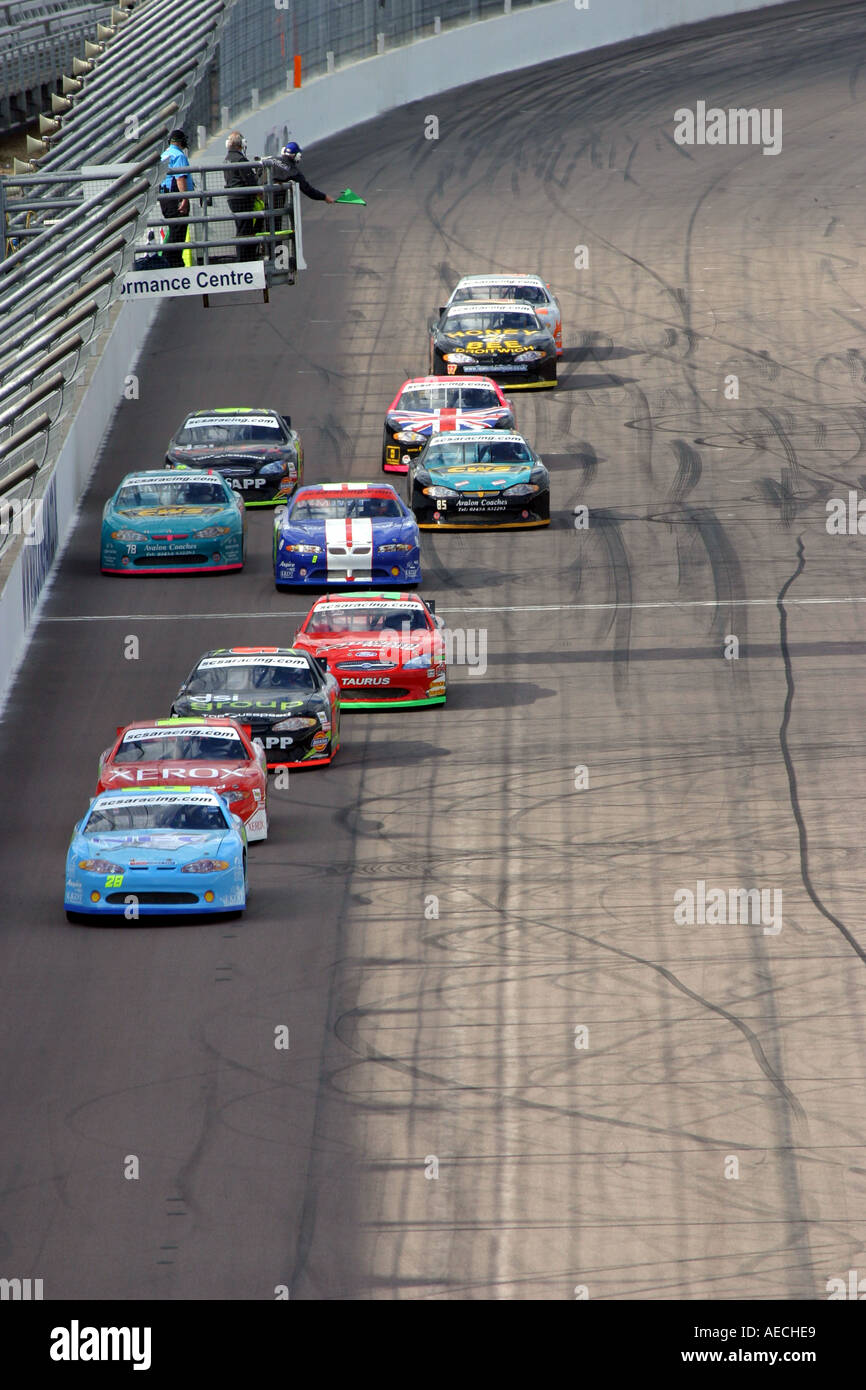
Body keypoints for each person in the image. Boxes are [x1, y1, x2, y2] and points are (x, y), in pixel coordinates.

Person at [262, 141, 335, 231]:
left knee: (258, 229)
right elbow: (308, 190)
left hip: (260, 200)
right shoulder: (294, 172)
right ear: (296, 155)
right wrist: (324, 197)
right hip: (275, 205)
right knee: (274, 231)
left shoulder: (272, 159)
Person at [158, 129, 193, 268]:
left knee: (174, 230)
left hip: (165, 199)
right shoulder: (179, 156)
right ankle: (173, 264)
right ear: (181, 141)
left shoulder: (164, 155)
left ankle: (172, 262)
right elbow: (180, 178)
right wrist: (184, 199)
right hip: (176, 200)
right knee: (178, 233)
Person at [223, 131, 260, 261]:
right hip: (242, 198)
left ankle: (243, 258)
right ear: (242, 144)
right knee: (245, 230)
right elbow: (250, 181)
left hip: (232, 199)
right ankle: (244, 259)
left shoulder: (227, 159)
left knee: (240, 227)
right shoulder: (240, 159)